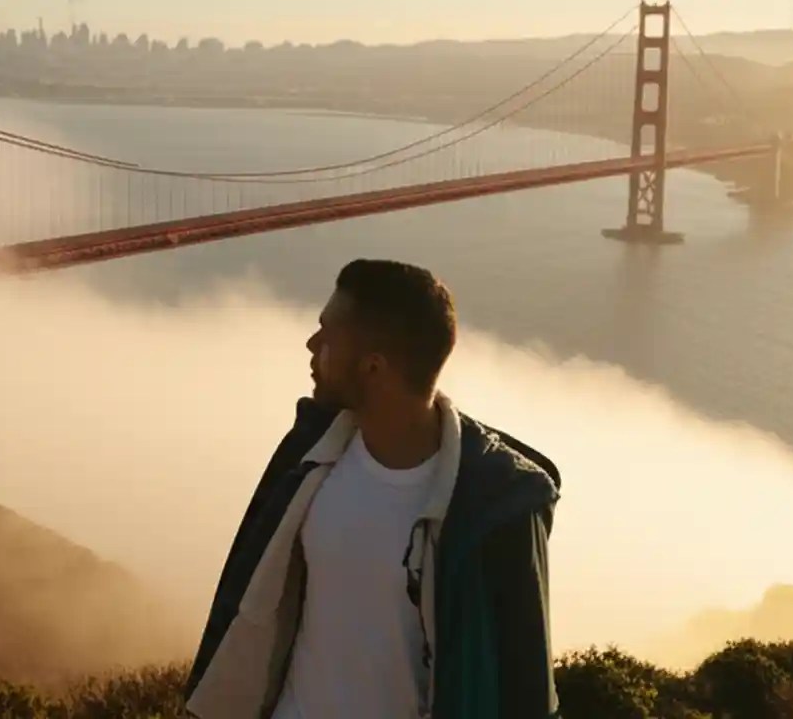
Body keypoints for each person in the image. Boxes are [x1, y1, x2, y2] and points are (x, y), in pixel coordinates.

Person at [185, 259, 561, 719]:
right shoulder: (309, 454)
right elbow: (243, 607)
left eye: (327, 334)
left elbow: (527, 689)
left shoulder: (498, 506)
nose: (311, 344)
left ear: (373, 367)